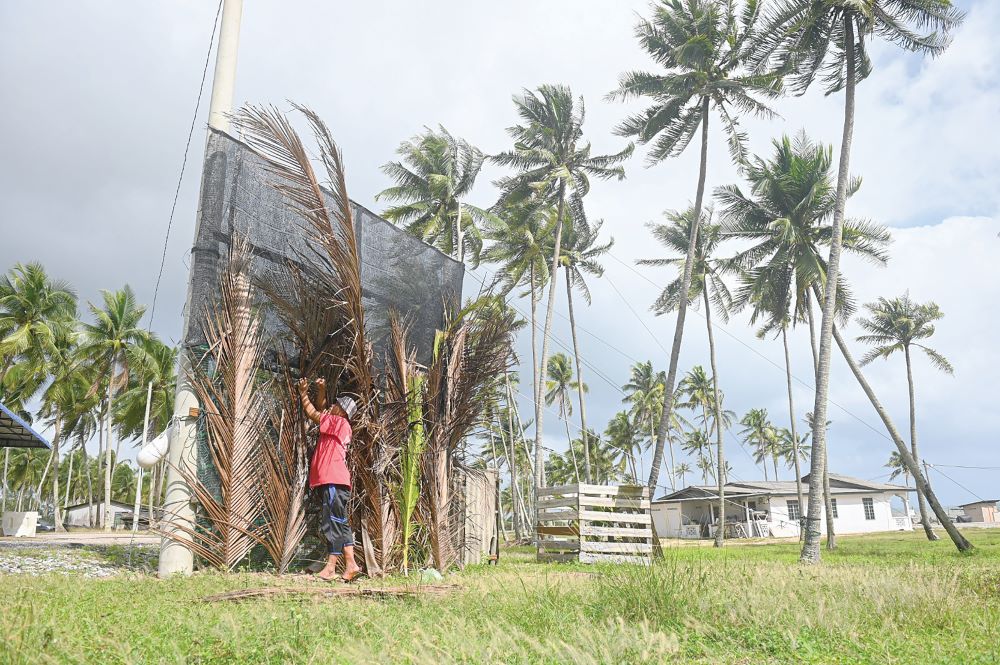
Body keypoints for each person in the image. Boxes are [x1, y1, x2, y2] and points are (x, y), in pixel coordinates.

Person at [297, 377, 361, 582]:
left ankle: (331, 567)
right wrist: (321, 389)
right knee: (340, 522)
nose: (332, 405)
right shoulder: (338, 424)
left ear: (342, 411)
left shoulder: (338, 422)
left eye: (337, 404)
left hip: (333, 479)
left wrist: (303, 393)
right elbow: (323, 407)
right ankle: (351, 564)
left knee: (332, 523)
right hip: (337, 480)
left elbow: (313, 412)